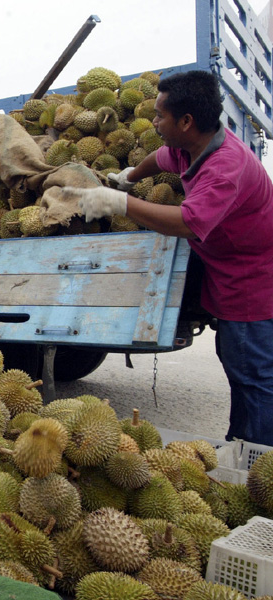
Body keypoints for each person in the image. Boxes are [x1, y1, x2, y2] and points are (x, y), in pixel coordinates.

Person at [68, 70, 273, 446]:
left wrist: (121, 202)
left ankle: (258, 461)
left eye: (161, 116)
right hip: (226, 272)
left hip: (252, 283)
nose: (156, 123)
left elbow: (188, 223)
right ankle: (241, 442)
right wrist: (128, 177)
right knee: (240, 371)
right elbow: (160, 158)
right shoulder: (190, 146)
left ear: (186, 121)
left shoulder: (225, 167)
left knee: (254, 377)